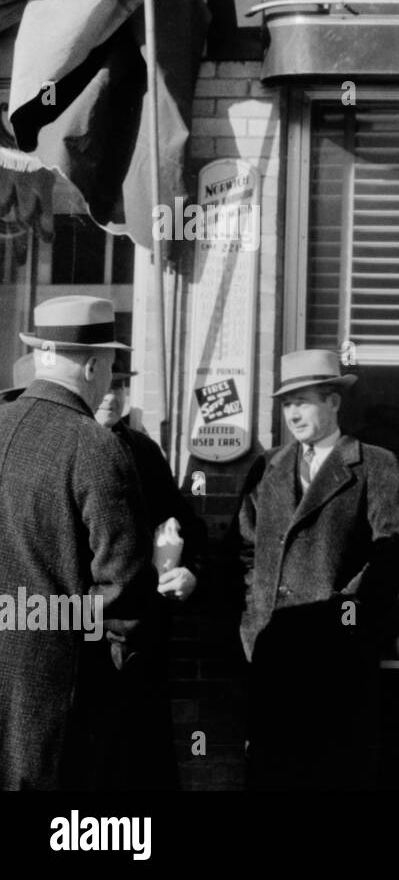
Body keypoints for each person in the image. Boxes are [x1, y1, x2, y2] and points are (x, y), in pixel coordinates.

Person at [238, 349, 399, 788]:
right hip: (271, 655)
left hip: (336, 661)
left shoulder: (375, 464)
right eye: (286, 403)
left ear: (334, 401)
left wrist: (343, 617)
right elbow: (245, 551)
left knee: (333, 774)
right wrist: (255, 616)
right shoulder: (268, 466)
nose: (293, 413)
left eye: (303, 401)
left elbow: (395, 554)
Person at [0, 296, 155, 789]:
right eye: (111, 368)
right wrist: (115, 660)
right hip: (55, 682)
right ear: (93, 365)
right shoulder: (94, 444)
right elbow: (123, 588)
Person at [93, 355, 206, 789]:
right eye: (104, 382)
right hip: (79, 632)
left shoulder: (142, 449)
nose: (111, 394)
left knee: (141, 762)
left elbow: (182, 523)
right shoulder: (63, 445)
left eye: (120, 385)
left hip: (143, 636)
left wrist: (188, 571)